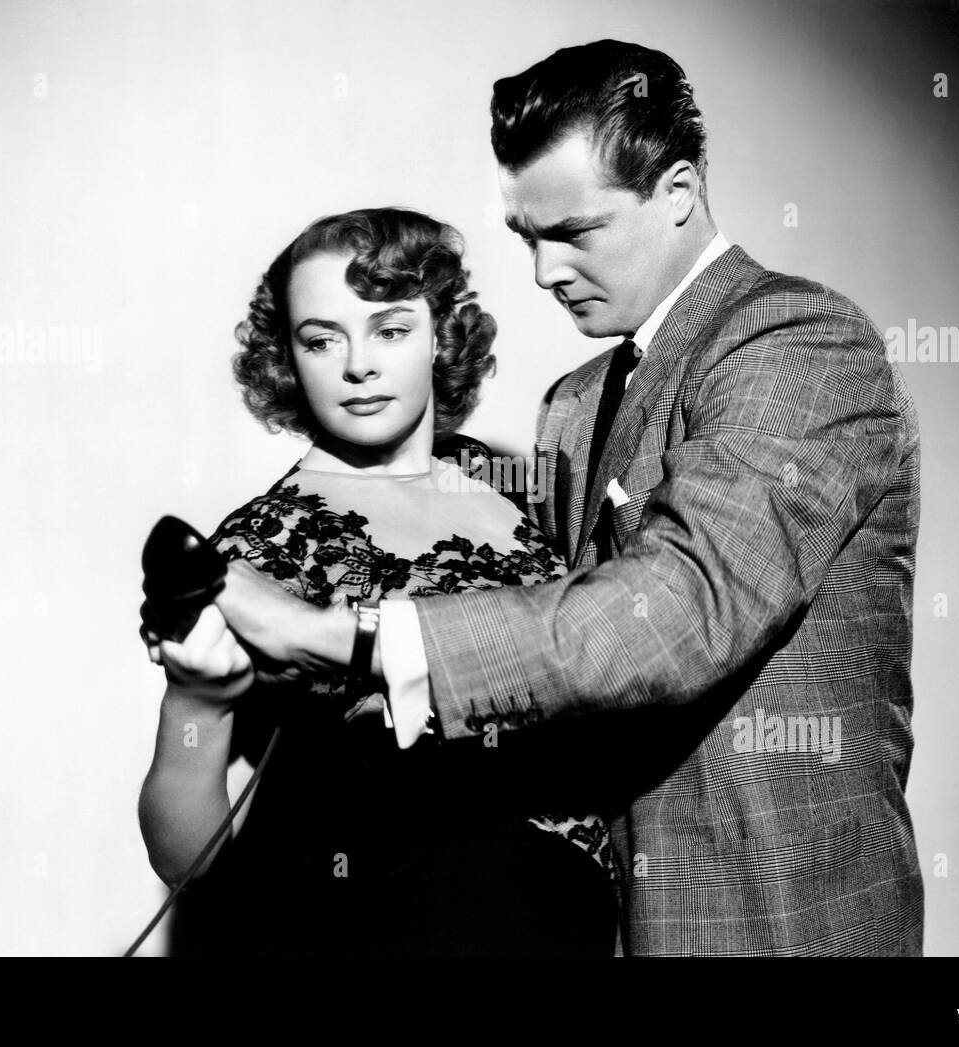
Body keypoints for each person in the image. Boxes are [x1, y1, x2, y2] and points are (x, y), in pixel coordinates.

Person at [183, 40, 926, 957]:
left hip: (768, 924)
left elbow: (678, 614)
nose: (542, 271)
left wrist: (359, 637)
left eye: (573, 232)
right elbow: (570, 672)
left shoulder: (795, 343)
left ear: (679, 195)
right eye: (525, 236)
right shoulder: (574, 406)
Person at [137, 207, 617, 957]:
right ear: (287, 358)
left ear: (440, 335)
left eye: (389, 329)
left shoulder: (521, 495)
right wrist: (193, 699)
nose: (357, 365)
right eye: (322, 339)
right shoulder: (265, 542)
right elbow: (185, 856)